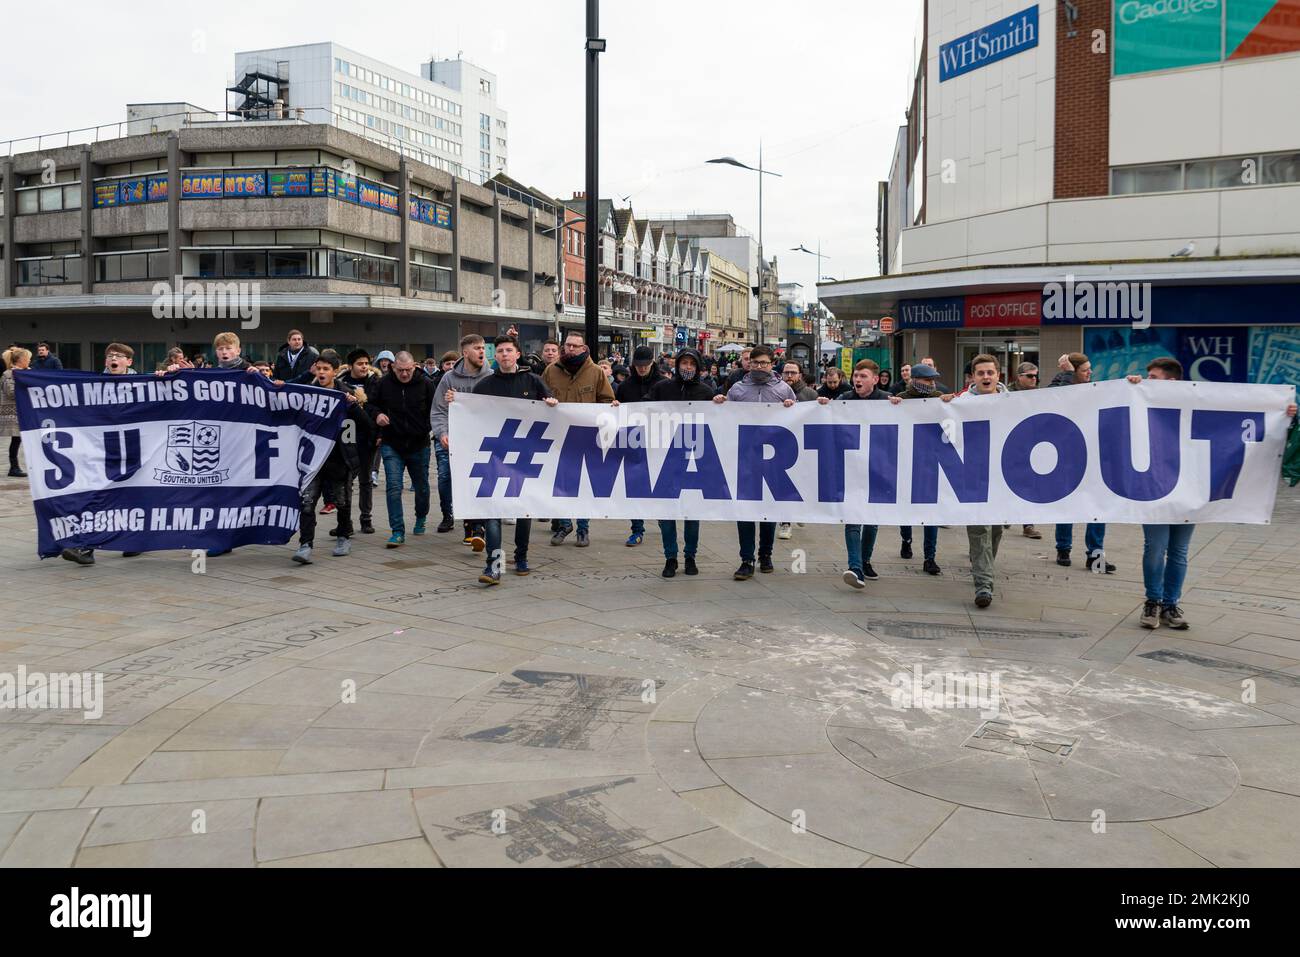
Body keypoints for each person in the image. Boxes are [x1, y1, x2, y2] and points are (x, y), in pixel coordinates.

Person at [1127, 357, 1298, 629]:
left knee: (1179, 551)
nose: (1148, 381)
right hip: (1157, 488)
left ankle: (1170, 604)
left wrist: (1284, 414)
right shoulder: (1145, 400)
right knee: (1155, 549)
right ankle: (1153, 601)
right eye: (1147, 377)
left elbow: (1240, 417)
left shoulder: (1196, 400)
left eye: (1154, 377)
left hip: (1190, 490)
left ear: (1172, 381)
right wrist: (1131, 388)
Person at [447, 335, 559, 585]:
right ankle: (493, 565)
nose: (505, 354)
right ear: (495, 356)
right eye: (500, 351)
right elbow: (470, 413)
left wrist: (551, 403)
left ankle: (521, 557)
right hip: (494, 457)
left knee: (524, 511)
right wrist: (457, 403)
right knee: (493, 511)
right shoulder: (485, 385)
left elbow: (552, 409)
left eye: (509, 350)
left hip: (524, 457)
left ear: (517, 354)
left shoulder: (533, 381)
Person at [60, 344, 144, 565]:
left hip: (134, 452)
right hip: (102, 452)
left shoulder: (144, 384)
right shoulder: (95, 385)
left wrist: (173, 373)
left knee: (130, 498)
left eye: (118, 356)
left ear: (129, 362)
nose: (113, 359)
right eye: (110, 356)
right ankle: (86, 546)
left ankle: (134, 540)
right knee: (97, 497)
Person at [725, 345, 796, 580]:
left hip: (774, 460)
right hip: (745, 458)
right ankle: (746, 559)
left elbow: (799, 420)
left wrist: (791, 408)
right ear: (749, 364)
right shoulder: (737, 389)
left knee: (768, 510)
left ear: (772, 364)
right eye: (755, 362)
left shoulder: (783, 389)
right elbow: (723, 419)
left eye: (764, 363)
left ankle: (766, 554)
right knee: (745, 510)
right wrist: (719, 404)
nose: (759, 367)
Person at [943, 354, 1008, 608]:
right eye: (981, 373)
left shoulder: (1014, 402)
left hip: (1003, 478)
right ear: (973, 377)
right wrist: (944, 406)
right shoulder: (962, 403)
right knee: (980, 529)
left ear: (998, 375)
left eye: (990, 372)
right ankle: (984, 585)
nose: (986, 377)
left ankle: (982, 564)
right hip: (972, 474)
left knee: (996, 530)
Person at [293, 351, 371, 563]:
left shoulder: (346, 394)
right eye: (318, 368)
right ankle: (305, 544)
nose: (321, 372)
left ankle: (343, 537)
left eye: (326, 369)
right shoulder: (308, 393)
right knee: (307, 502)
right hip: (312, 461)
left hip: (338, 459)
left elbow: (366, 425)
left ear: (335, 372)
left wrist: (353, 406)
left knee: (341, 501)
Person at [648, 349, 718, 577]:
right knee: (667, 512)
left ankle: (690, 556)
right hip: (665, 457)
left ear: (698, 367)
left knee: (691, 511)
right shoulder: (662, 388)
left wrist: (720, 404)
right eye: (684, 363)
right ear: (677, 365)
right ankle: (670, 557)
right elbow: (643, 410)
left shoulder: (706, 392)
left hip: (694, 460)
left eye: (692, 364)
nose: (687, 367)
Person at [543, 331, 617, 547]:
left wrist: (611, 407)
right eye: (568, 345)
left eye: (575, 346)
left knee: (583, 485)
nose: (571, 349)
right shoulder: (551, 371)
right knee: (562, 483)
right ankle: (565, 524)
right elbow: (539, 396)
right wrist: (546, 402)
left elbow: (607, 399)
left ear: (584, 348)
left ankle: (583, 529)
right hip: (558, 437)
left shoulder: (595, 373)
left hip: (586, 438)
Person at [1049, 351, 1112, 572]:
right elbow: (1057, 401)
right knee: (1067, 505)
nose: (1090, 373)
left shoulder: (1093, 389)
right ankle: (1063, 549)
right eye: (1085, 370)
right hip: (1066, 457)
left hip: (1093, 456)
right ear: (1073, 371)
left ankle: (1095, 556)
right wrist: (1067, 375)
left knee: (1098, 508)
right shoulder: (1058, 385)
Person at [369, 351, 435, 548]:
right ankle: (397, 531)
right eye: (400, 370)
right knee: (393, 487)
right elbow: (370, 405)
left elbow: (435, 410)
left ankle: (421, 516)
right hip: (392, 443)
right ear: (393, 367)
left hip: (419, 444)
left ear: (414, 366)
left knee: (422, 487)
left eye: (408, 370)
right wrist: (377, 415)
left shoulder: (426, 384)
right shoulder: (383, 383)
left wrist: (425, 428)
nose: (404, 374)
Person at [431, 334, 493, 542]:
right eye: (477, 348)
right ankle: (452, 515)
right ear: (465, 353)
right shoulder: (449, 379)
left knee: (478, 482)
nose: (482, 351)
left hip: (483, 441)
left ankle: (477, 528)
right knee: (449, 479)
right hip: (456, 440)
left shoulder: (492, 377)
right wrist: (442, 433)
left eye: (483, 347)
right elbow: (438, 410)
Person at [839, 360, 890, 588]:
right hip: (851, 467)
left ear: (875, 380)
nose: (857, 380)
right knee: (852, 518)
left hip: (878, 468)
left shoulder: (887, 400)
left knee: (872, 519)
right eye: (856, 376)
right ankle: (855, 567)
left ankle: (865, 560)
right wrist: (823, 406)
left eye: (863, 376)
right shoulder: (844, 399)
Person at [889, 364, 943, 575]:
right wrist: (893, 405)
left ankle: (930, 557)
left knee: (931, 513)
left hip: (931, 462)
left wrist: (950, 403)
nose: (932, 383)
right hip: (905, 461)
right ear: (916, 380)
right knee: (906, 509)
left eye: (933, 380)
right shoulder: (902, 398)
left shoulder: (938, 397)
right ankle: (906, 539)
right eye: (928, 380)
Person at [615, 345, 666, 547]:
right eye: (638, 365)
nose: (642, 368)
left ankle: (664, 521)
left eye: (645, 365)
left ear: (652, 362)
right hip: (633, 441)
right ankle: (637, 529)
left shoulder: (663, 384)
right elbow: (617, 413)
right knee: (635, 486)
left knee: (660, 485)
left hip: (657, 442)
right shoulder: (625, 386)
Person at [338, 349, 379, 535]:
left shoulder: (375, 382)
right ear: (350, 366)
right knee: (345, 480)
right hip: (346, 436)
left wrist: (378, 433)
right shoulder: (340, 383)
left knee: (365, 479)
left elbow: (379, 407)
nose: (364, 367)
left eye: (366, 363)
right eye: (360, 364)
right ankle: (344, 521)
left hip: (367, 436)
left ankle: (366, 518)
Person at [1007, 361, 1043, 539]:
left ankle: (1028, 524)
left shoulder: (1039, 394)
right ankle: (1004, 514)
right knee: (1007, 483)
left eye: (1036, 376)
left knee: (1029, 484)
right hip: (1009, 445)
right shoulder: (1006, 394)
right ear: (1019, 377)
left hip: (1031, 444)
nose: (1034, 379)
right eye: (1030, 376)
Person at [1, 347, 31, 477]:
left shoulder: (26, 372)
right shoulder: (8, 374)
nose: (29, 361)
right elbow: (11, 393)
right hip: (13, 412)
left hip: (22, 411)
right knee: (16, 439)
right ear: (21, 360)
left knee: (18, 439)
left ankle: (15, 467)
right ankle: (13, 467)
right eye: (28, 359)